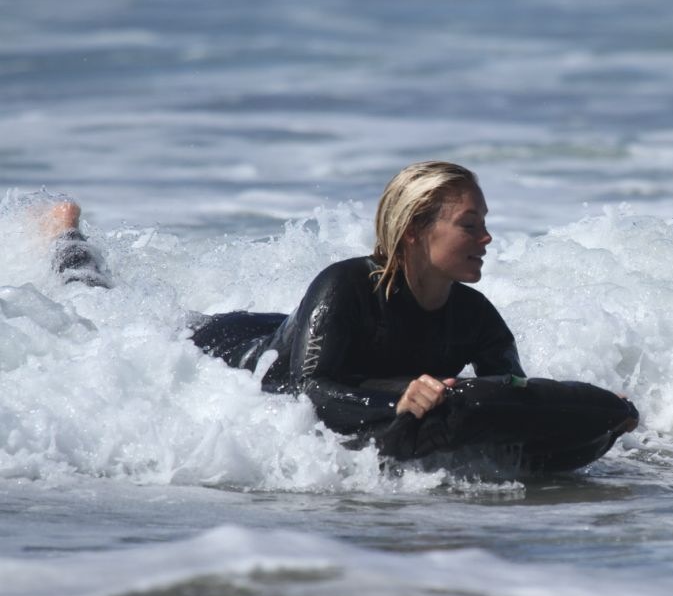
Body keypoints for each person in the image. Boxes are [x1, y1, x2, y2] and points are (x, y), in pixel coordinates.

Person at [45, 162, 529, 436]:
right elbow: (309, 392)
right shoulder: (345, 288)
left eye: (485, 224)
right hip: (227, 349)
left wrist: (599, 411)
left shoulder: (475, 317)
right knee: (101, 306)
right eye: (470, 225)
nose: (487, 239)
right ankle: (65, 238)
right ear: (414, 231)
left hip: (294, 328)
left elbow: (515, 392)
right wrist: (394, 402)